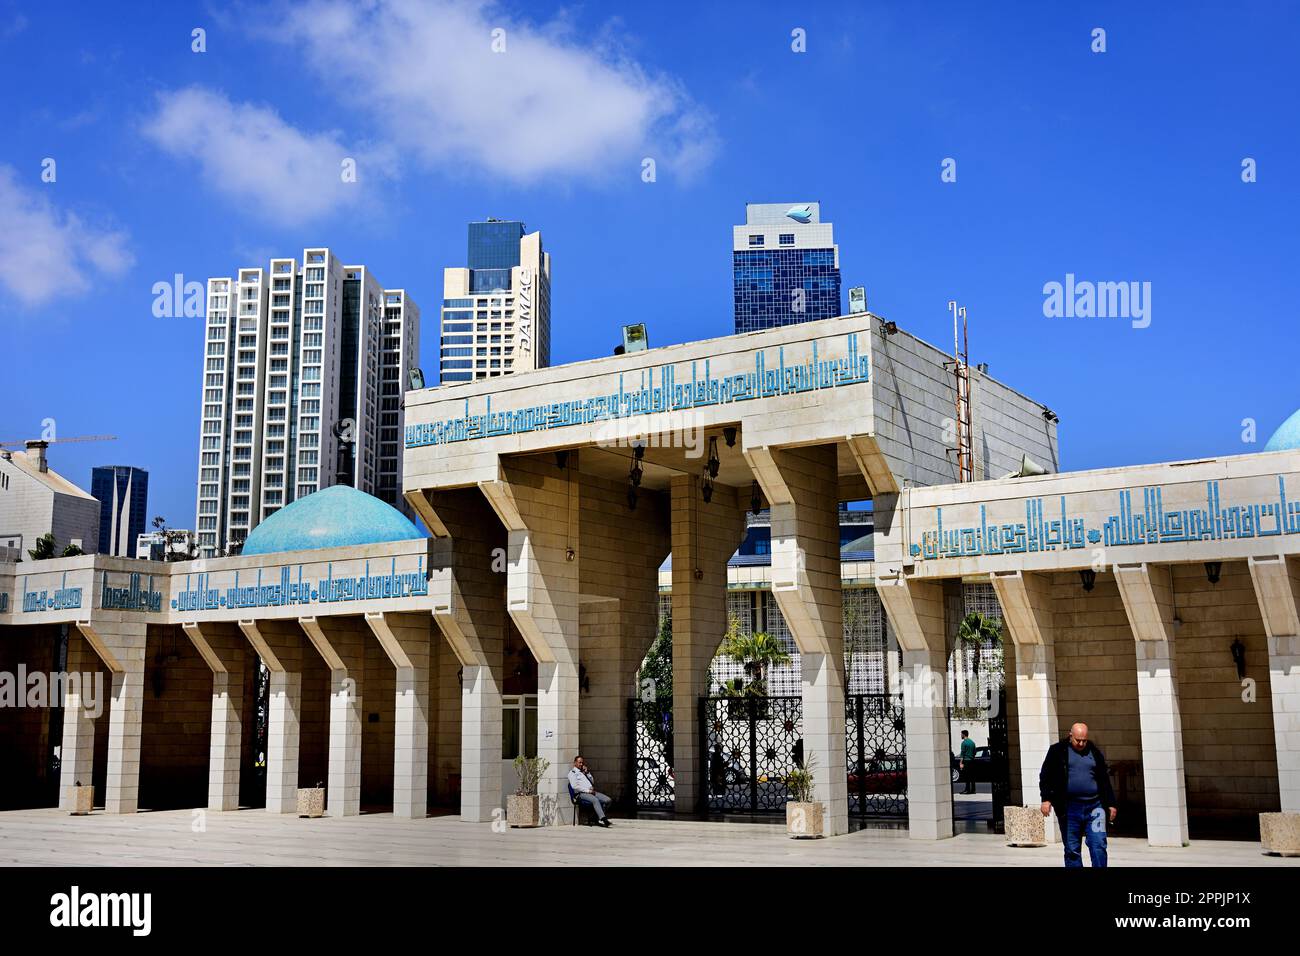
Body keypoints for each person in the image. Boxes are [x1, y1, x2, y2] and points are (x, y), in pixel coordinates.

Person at [1038, 722, 1118, 868]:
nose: (1081, 743)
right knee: (1072, 850)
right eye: (1078, 740)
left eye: (1084, 740)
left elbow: (1104, 779)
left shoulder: (1094, 752)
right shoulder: (1057, 751)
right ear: (1070, 736)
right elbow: (1046, 776)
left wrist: (1111, 803)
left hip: (1095, 807)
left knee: (1099, 845)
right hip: (1069, 809)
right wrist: (1046, 799)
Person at [567, 755, 613, 827]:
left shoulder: (583, 772)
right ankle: (604, 819)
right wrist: (588, 791)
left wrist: (587, 773)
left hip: (591, 792)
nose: (581, 764)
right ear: (575, 763)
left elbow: (592, 781)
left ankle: (595, 818)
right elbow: (575, 787)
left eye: (582, 763)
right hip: (581, 794)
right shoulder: (572, 773)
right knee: (595, 800)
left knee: (608, 800)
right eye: (579, 762)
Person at [958, 730, 977, 794]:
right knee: (972, 776)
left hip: (966, 761)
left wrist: (961, 763)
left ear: (963, 735)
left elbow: (962, 753)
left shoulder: (964, 743)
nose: (961, 735)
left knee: (967, 776)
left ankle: (967, 790)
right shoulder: (972, 742)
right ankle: (973, 790)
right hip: (972, 761)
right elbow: (975, 752)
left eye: (961, 734)